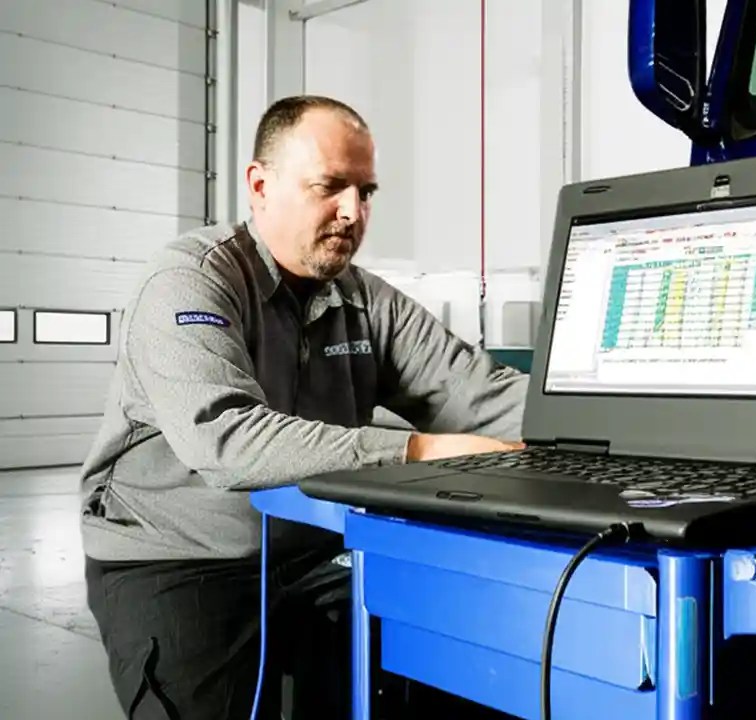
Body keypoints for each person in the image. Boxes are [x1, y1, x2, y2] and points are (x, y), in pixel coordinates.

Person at [79, 94, 527, 719]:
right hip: (180, 558)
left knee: (435, 678)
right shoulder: (190, 281)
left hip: (315, 549)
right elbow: (226, 440)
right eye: (330, 187)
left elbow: (478, 395)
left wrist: (628, 412)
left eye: (365, 192)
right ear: (260, 186)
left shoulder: (369, 302)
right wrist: (413, 451)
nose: (353, 212)